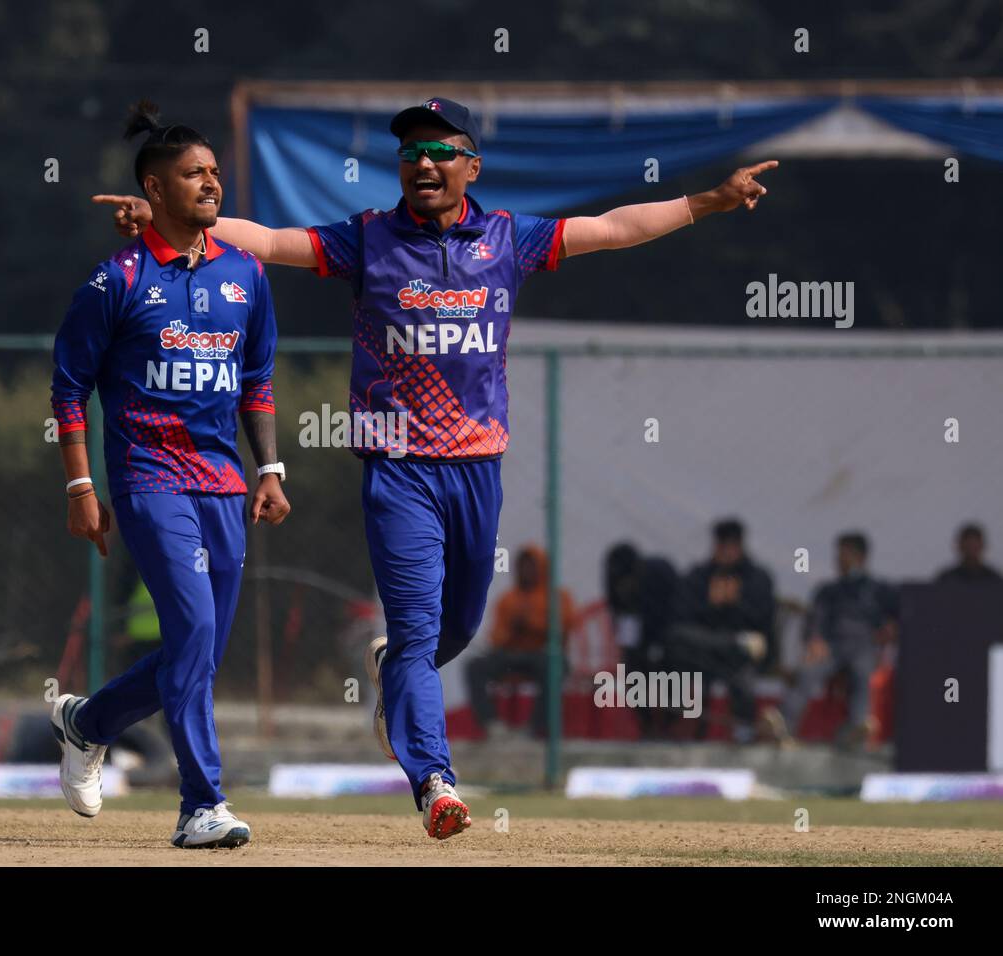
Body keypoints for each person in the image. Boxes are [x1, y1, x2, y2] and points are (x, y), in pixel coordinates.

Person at [95, 97, 777, 838]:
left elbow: (612, 229)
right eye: (410, 152)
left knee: (459, 625)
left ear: (471, 167)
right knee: (418, 634)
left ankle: (397, 675)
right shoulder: (368, 241)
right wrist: (175, 221)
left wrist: (711, 201)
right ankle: (434, 780)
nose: (422, 163)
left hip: (478, 470)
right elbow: (270, 239)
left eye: (439, 151)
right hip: (399, 469)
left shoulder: (508, 239)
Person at [49, 102, 290, 850]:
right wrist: (82, 488)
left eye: (216, 172)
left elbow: (257, 381)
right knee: (190, 632)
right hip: (151, 482)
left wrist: (271, 469)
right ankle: (201, 805)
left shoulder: (246, 273)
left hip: (223, 484)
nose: (212, 184)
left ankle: (87, 722)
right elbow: (67, 387)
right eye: (194, 174)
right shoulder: (115, 279)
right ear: (155, 190)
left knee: (199, 653)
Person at [767, 532, 896, 748]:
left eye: (846, 555)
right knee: (808, 671)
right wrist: (815, 640)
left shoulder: (880, 590)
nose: (840, 560)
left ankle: (857, 728)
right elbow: (814, 621)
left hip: (864, 646)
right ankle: (782, 725)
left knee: (862, 672)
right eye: (839, 555)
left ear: (861, 557)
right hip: (831, 648)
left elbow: (899, 616)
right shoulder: (827, 591)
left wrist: (891, 628)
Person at [668, 518, 775, 742]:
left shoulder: (756, 577)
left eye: (731, 547)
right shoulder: (700, 575)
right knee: (678, 642)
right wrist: (712, 605)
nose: (726, 552)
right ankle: (682, 731)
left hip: (741, 655)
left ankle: (743, 734)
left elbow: (762, 619)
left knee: (744, 667)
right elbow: (682, 614)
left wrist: (734, 603)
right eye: (722, 547)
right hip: (705, 652)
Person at [465, 545, 575, 740]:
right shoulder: (508, 599)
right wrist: (511, 629)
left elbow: (565, 628)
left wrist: (533, 624)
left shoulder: (557, 597)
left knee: (554, 665)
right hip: (511, 655)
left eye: (531, 566)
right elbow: (496, 638)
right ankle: (492, 725)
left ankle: (536, 728)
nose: (527, 571)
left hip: (541, 654)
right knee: (475, 666)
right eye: (523, 566)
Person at [603, 542, 678, 738]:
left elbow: (674, 615)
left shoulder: (658, 575)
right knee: (633, 668)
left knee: (670, 666)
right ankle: (646, 725)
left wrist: (657, 647)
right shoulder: (615, 581)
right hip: (640, 637)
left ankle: (669, 724)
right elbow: (620, 620)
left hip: (668, 636)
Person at [936, 523, 1002, 583]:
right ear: (959, 546)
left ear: (982, 546)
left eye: (974, 545)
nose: (971, 549)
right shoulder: (946, 580)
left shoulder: (995, 581)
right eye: (968, 545)